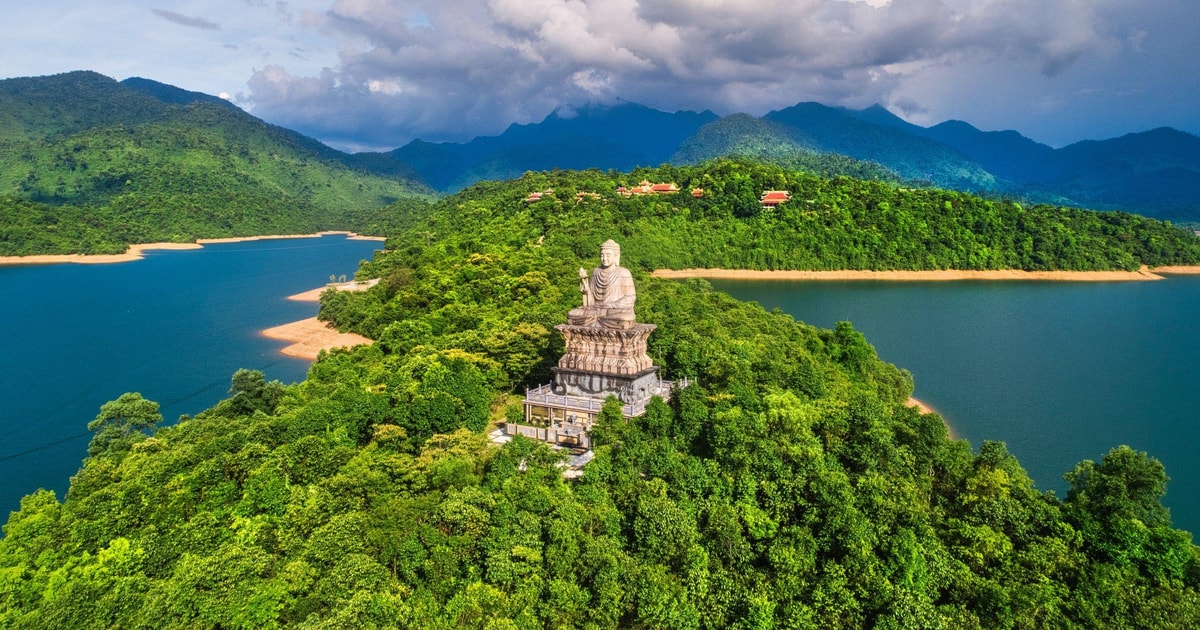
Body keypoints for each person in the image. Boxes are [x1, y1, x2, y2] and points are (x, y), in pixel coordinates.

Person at [567, 239, 636, 328]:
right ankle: (600, 320)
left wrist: (611, 305)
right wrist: (586, 289)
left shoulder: (623, 273)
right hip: (596, 309)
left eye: (608, 255)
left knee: (625, 318)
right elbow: (591, 300)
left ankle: (597, 320)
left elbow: (630, 298)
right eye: (602, 255)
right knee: (572, 314)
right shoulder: (596, 272)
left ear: (616, 256)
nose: (604, 258)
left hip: (614, 311)